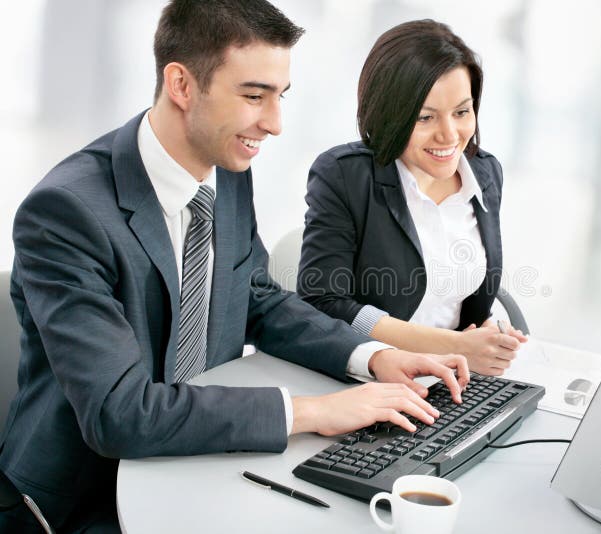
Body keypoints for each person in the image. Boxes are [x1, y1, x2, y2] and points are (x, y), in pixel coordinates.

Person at [0, 2, 469, 532]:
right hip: (89, 500)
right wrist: (313, 412)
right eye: (253, 96)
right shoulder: (68, 214)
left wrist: (374, 357)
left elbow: (259, 299)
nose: (274, 124)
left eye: (279, 96)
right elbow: (119, 414)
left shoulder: (225, 170)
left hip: (209, 464)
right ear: (181, 84)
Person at [298, 20, 527, 377]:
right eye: (425, 117)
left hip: (453, 378)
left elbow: (466, 302)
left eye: (462, 112)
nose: (450, 135)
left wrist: (487, 337)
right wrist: (453, 346)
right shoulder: (343, 175)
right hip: (368, 375)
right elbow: (324, 302)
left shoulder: (484, 174)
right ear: (389, 115)